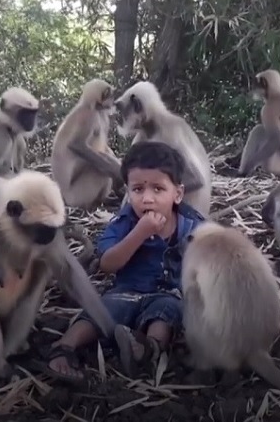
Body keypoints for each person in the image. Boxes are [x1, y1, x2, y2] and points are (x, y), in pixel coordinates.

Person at [41, 140, 205, 383]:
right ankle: (64, 347)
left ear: (178, 194)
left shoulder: (193, 225)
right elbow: (108, 264)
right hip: (125, 292)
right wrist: (139, 233)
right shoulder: (123, 223)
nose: (147, 198)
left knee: (167, 313)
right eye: (138, 190)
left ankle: (146, 349)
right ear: (128, 191)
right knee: (102, 309)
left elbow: (212, 258)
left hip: (168, 293)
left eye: (158, 189)